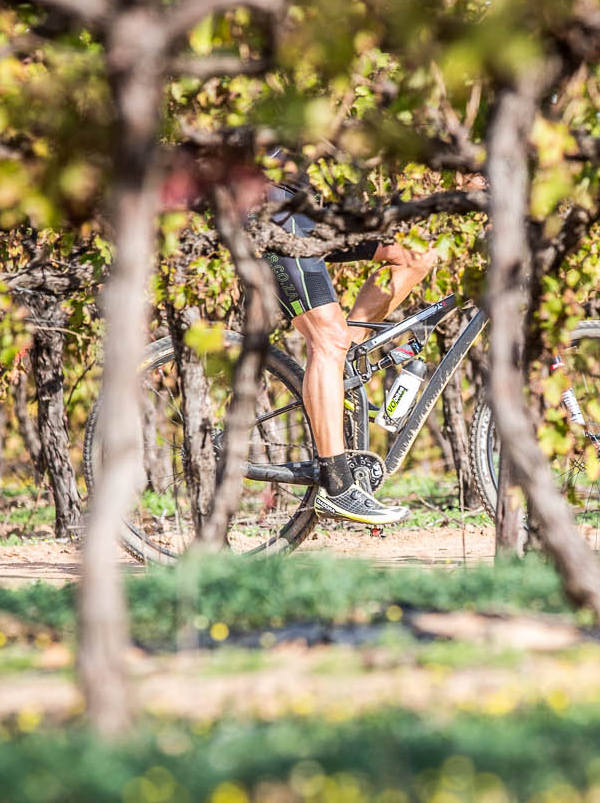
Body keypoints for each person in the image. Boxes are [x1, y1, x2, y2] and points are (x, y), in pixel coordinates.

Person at [162, 141, 438, 526]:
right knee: (326, 338)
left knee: (415, 255)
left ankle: (343, 364)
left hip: (316, 208)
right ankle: (338, 486)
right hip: (274, 208)